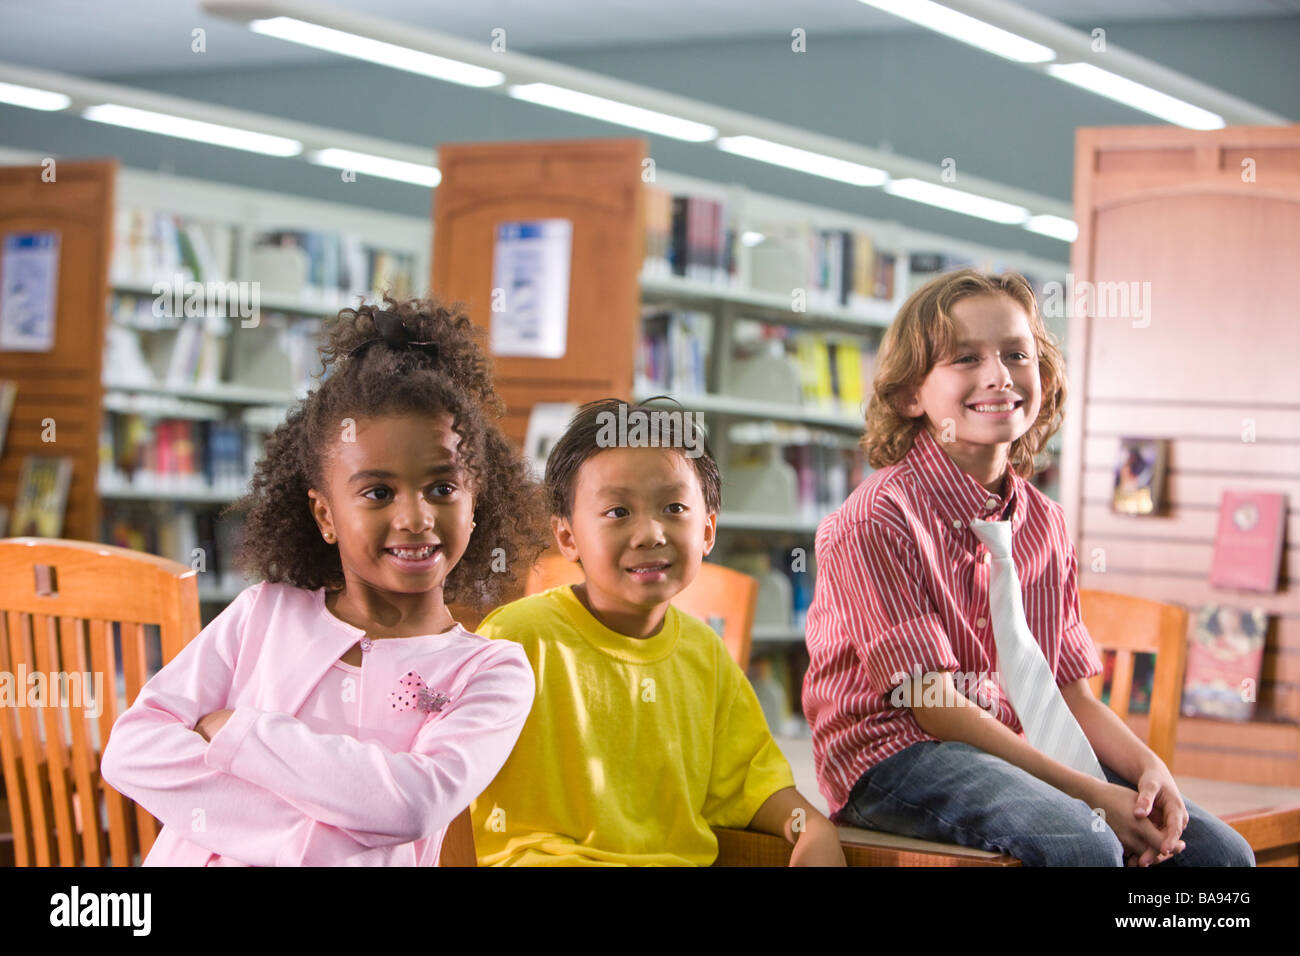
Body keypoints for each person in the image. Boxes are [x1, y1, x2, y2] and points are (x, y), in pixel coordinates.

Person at [802, 269, 1254, 867]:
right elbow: (932, 704)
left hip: (1013, 749)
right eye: (965, 358)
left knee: (1220, 859)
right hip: (896, 755)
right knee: (1084, 842)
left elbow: (1068, 692)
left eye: (1016, 353)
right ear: (912, 395)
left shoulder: (1043, 522)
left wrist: (1149, 767)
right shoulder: (876, 519)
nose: (999, 375)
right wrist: (1090, 793)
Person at [101, 297, 548, 866]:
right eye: (378, 493)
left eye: (442, 488)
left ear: (476, 501)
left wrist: (240, 733)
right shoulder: (262, 614)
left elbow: (411, 803)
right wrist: (315, 839)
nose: (415, 517)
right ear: (325, 516)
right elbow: (132, 749)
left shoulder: (490, 673)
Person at [470, 398, 845, 866]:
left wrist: (810, 827)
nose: (650, 532)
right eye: (617, 512)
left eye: (673, 507)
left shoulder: (705, 653)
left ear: (707, 530)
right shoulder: (517, 638)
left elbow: (752, 785)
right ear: (567, 537)